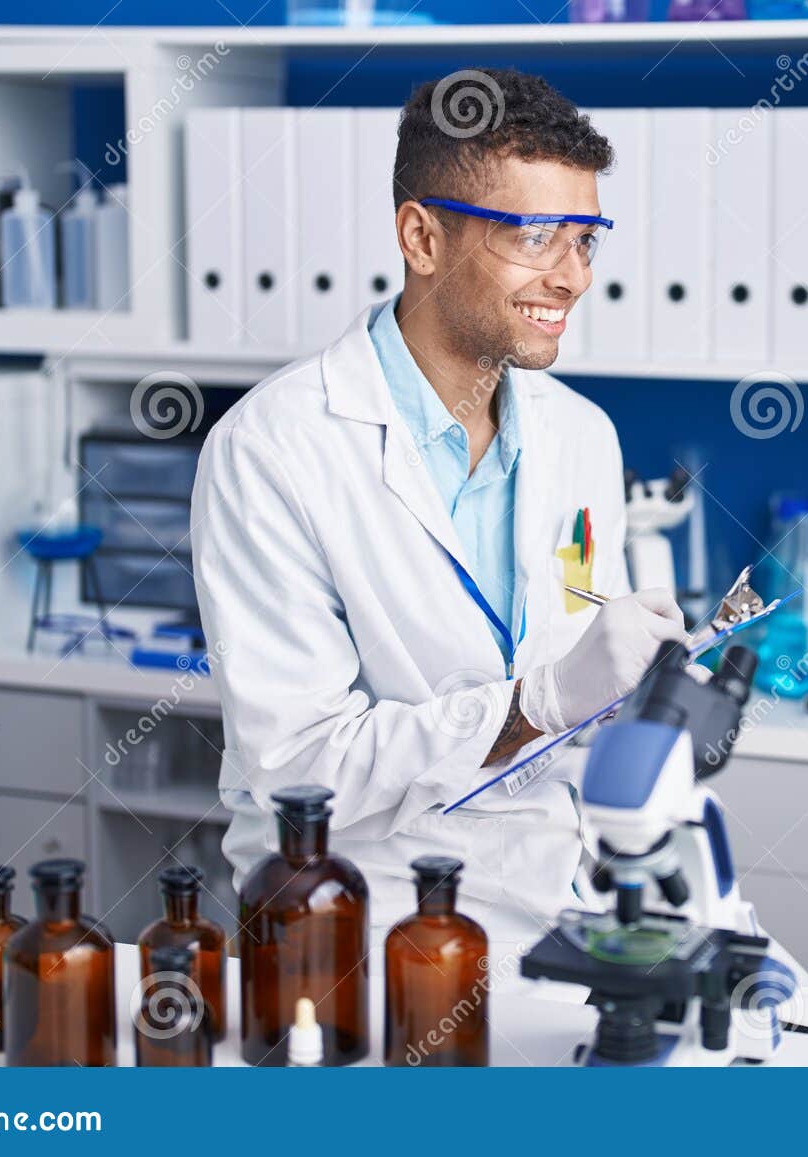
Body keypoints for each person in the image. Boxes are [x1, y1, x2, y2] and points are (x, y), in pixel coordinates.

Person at [191, 68, 687, 948]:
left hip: (550, 899)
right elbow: (296, 768)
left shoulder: (583, 437)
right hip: (357, 919)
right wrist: (537, 701)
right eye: (538, 236)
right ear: (422, 236)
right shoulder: (271, 448)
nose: (572, 278)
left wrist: (649, 705)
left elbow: (580, 682)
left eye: (586, 239)